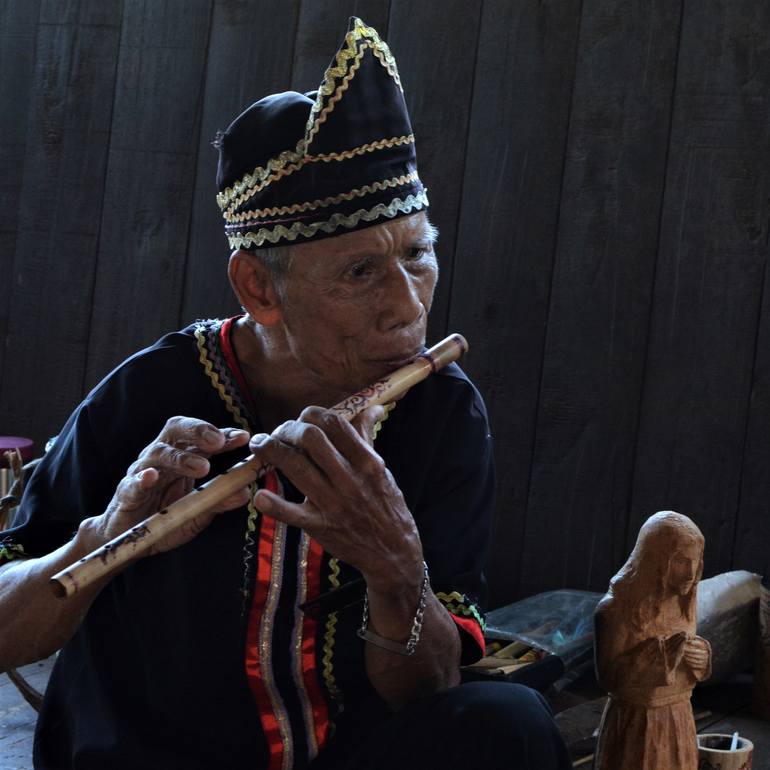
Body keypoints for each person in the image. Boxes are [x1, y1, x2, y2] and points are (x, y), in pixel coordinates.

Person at [0, 17, 570, 770]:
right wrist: (103, 537)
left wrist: (395, 569)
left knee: (509, 723)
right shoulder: (149, 394)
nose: (407, 305)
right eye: (361, 272)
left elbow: (430, 684)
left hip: (345, 756)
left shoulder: (442, 412)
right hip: (148, 758)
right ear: (259, 288)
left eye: (418, 253)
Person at [593, 511, 712, 770]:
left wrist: (700, 656)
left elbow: (688, 659)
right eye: (681, 561)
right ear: (655, 560)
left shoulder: (683, 604)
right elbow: (608, 679)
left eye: (696, 561)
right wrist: (658, 658)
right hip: (636, 723)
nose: (691, 573)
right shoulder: (615, 610)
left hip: (679, 717)